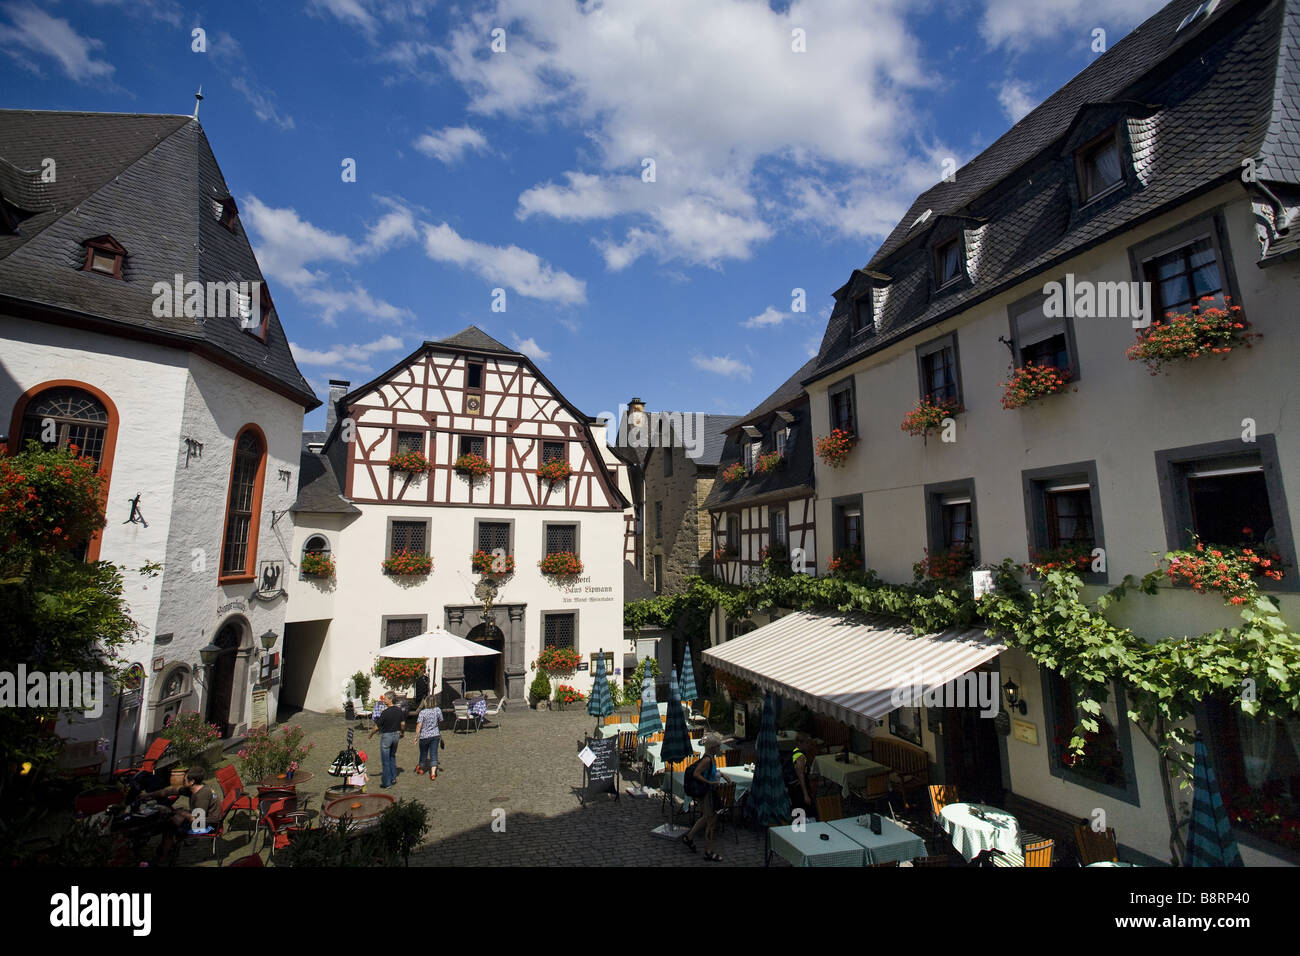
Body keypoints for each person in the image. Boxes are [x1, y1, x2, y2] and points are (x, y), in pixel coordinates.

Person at [144, 767, 221, 863]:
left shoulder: (202, 796)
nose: (182, 781)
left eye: (184, 780)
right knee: (170, 822)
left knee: (170, 822)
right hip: (201, 818)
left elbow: (197, 821)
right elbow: (172, 791)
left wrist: (176, 812)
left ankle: (164, 855)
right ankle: (166, 851)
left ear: (192, 782)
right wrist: (149, 795)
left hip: (209, 825)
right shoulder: (195, 788)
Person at [681, 734, 726, 862]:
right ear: (713, 747)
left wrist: (722, 775)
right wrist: (709, 782)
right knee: (711, 823)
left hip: (709, 792)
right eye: (718, 746)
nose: (719, 748)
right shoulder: (707, 760)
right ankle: (708, 852)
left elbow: (712, 771)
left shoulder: (711, 758)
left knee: (706, 818)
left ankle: (689, 837)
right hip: (707, 793)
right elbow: (696, 774)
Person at [368, 693, 405, 788]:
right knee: (392, 756)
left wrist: (371, 734)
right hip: (396, 735)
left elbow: (377, 727)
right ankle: (393, 777)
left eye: (385, 699)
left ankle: (387, 782)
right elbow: (403, 724)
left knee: (385, 760)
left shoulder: (385, 712)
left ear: (390, 700)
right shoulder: (399, 710)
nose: (384, 700)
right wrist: (402, 732)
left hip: (387, 736)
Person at [785, 733, 814, 818]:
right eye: (807, 743)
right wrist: (806, 794)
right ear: (800, 743)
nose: (809, 745)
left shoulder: (795, 751)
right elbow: (801, 775)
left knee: (797, 811)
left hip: (794, 786)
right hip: (799, 789)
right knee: (804, 812)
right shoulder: (800, 757)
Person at [415, 695, 443, 780]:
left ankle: (421, 767)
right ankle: (433, 773)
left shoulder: (423, 712)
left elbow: (419, 725)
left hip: (424, 736)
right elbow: (441, 720)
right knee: (433, 753)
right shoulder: (438, 710)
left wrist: (416, 736)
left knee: (423, 752)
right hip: (435, 735)